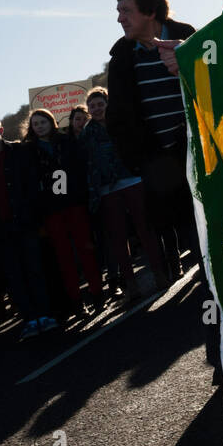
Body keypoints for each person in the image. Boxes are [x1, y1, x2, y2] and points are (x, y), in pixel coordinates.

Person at [106, 0, 199, 278]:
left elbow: (220, 79)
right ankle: (210, 295)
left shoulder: (189, 37)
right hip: (160, 165)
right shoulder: (122, 59)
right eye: (118, 11)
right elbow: (118, 117)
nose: (120, 18)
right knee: (187, 230)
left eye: (126, 10)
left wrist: (189, 62)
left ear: (149, 11)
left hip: (201, 153)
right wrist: (138, 160)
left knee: (215, 222)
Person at [0, 115, 57, 339]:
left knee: (35, 269)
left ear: (1, 130)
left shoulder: (20, 152)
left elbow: (38, 180)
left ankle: (44, 314)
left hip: (25, 222)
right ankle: (29, 319)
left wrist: (38, 209)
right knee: (14, 275)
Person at [80, 86, 169, 298]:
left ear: (107, 103)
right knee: (119, 238)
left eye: (100, 104)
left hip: (132, 179)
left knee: (145, 229)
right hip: (106, 188)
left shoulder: (122, 123)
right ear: (88, 109)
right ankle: (131, 285)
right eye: (92, 106)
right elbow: (86, 164)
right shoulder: (86, 134)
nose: (97, 109)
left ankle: (159, 274)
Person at [25, 108, 104, 316]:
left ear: (51, 122)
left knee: (86, 251)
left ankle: (97, 294)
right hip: (51, 211)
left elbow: (80, 169)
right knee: (64, 258)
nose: (40, 126)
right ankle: (77, 303)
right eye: (36, 124)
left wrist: (80, 195)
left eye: (43, 122)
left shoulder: (67, 142)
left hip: (74, 205)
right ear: (32, 128)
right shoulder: (28, 151)